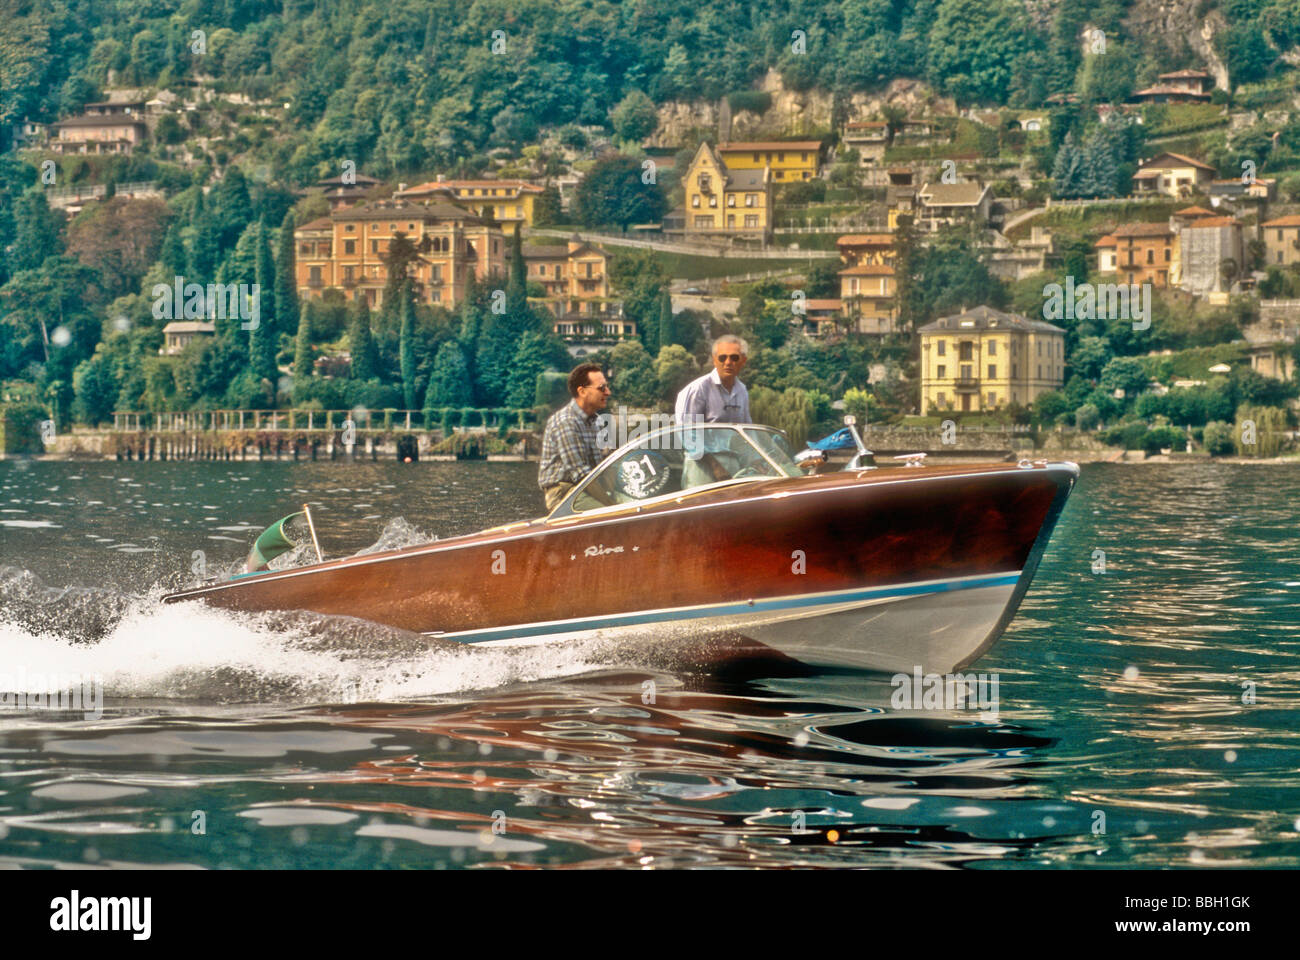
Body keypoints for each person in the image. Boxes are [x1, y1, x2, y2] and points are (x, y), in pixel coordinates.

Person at [674, 335, 751, 487]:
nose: (728, 362)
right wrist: (715, 466)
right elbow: (687, 433)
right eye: (722, 357)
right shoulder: (698, 389)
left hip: (734, 466)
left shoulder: (742, 390)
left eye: (734, 357)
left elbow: (747, 433)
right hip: (702, 466)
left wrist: (758, 459)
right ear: (714, 360)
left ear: (743, 361)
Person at [538, 363, 614, 512]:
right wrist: (613, 504)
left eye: (607, 386)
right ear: (582, 391)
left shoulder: (597, 421)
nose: (608, 392)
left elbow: (606, 464)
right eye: (602, 388)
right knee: (615, 514)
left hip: (585, 488)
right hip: (563, 493)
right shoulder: (566, 422)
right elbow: (581, 474)